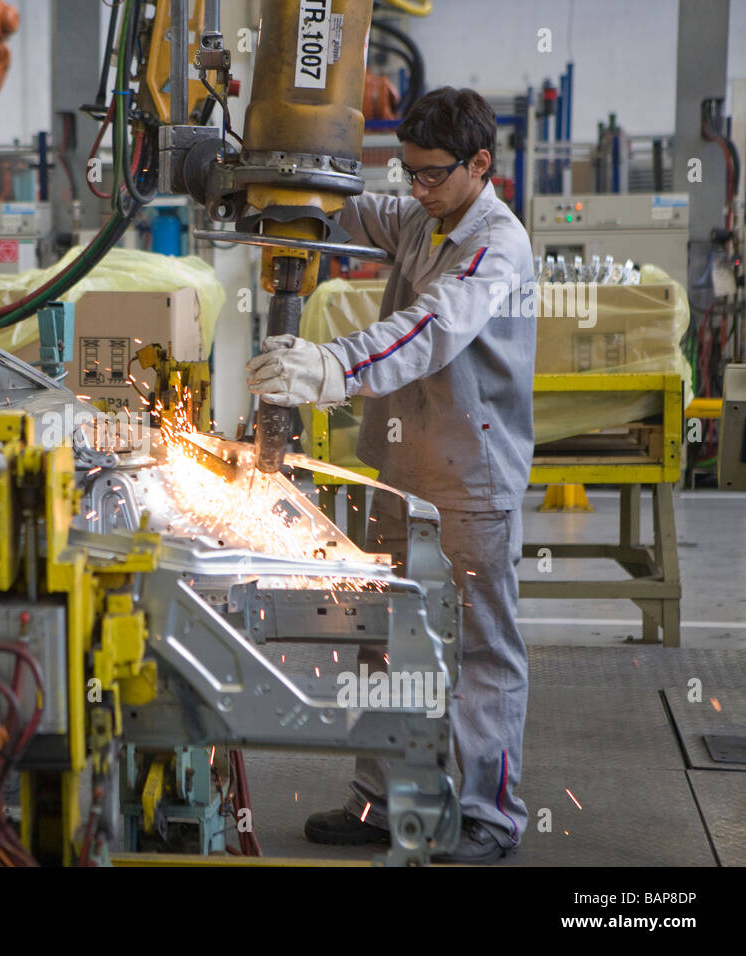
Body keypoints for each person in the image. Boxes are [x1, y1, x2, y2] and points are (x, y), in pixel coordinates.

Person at [245, 87, 535, 863]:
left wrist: (332, 364)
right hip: (401, 472)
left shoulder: (494, 243)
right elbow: (339, 209)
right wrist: (257, 181)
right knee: (382, 639)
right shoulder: (420, 214)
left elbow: (434, 327)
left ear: (479, 164)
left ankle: (487, 817)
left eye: (430, 174)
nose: (414, 188)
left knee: (477, 651)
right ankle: (379, 801)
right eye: (405, 172)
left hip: (472, 478)